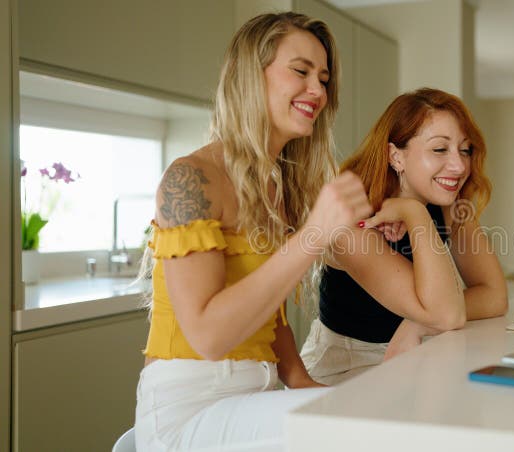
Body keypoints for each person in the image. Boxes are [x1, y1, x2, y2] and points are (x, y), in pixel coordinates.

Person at [134, 12, 373, 451]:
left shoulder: (275, 187)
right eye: (300, 71)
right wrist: (312, 235)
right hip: (190, 411)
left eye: (323, 78)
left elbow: (266, 311)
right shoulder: (190, 178)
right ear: (249, 76)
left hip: (252, 397)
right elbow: (208, 337)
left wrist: (305, 383)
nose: (318, 91)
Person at [300, 88, 508, 385]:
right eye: (440, 149)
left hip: (414, 352)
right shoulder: (351, 218)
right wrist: (415, 213)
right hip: (345, 368)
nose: (460, 166)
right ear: (395, 156)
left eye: (465, 150)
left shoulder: (449, 203)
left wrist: (416, 323)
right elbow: (447, 315)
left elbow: (494, 295)